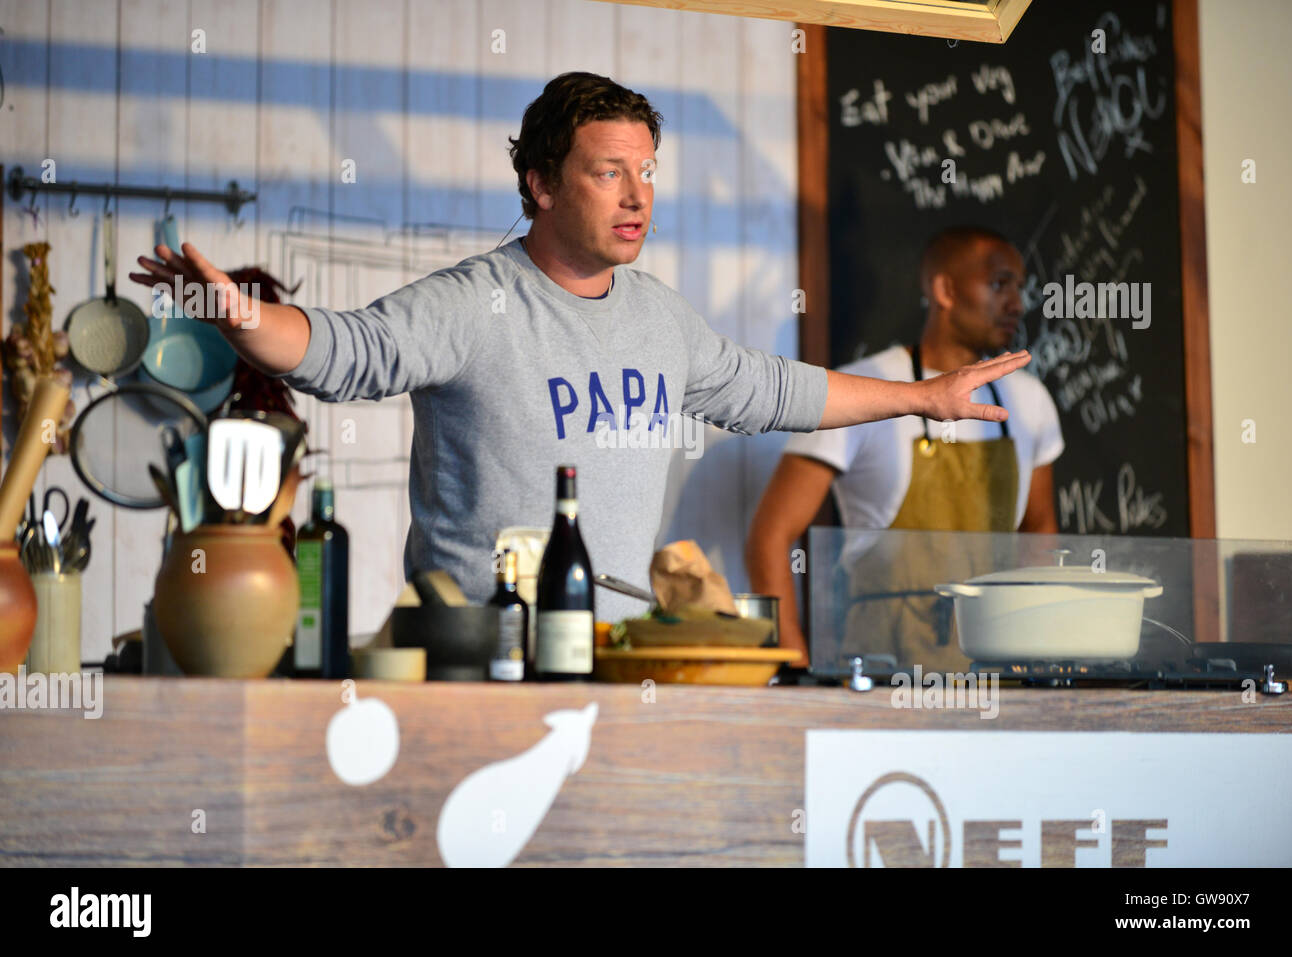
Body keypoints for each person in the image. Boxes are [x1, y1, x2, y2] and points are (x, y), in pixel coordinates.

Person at [129, 73, 1031, 623]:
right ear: (541, 184)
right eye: (609, 172)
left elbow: (775, 391)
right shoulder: (475, 303)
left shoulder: (661, 319)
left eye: (647, 171)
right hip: (480, 659)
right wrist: (239, 314)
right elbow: (341, 350)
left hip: (612, 658)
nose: (637, 195)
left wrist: (924, 395)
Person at [746, 226, 1062, 669]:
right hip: (882, 674)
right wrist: (792, 660)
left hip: (994, 672)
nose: (1017, 303)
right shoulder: (863, 391)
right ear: (945, 290)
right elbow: (770, 534)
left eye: (1019, 287)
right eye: (999, 284)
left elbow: (1039, 536)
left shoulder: (1030, 402)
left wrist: (1041, 655)